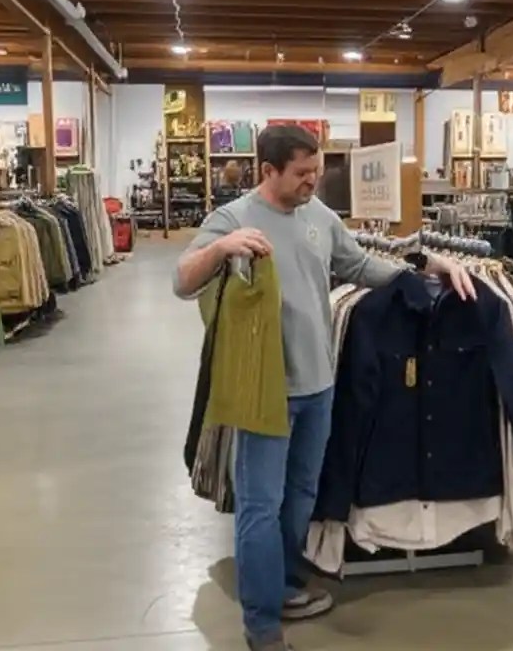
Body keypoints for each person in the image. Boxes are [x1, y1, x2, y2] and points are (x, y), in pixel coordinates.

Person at [173, 125, 474, 651]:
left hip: (319, 386)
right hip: (264, 390)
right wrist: (222, 247)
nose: (314, 181)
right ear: (268, 171)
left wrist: (426, 266)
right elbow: (182, 281)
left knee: (301, 496)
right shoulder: (234, 217)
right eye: (302, 174)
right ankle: (262, 626)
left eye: (316, 171)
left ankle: (284, 583)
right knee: (260, 507)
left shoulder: (320, 216)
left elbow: (358, 264)